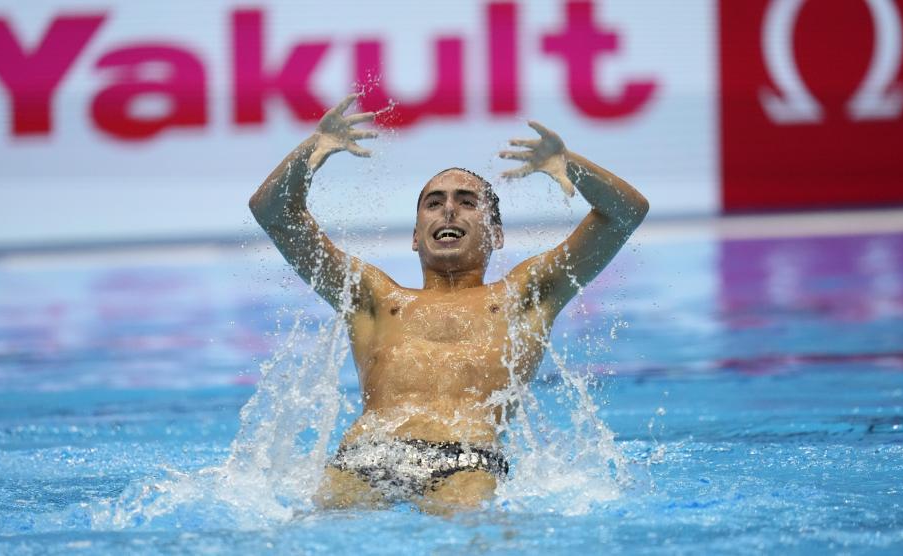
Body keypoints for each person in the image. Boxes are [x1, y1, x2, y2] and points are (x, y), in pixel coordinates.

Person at [248, 93, 648, 513]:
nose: (449, 211)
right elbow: (274, 214)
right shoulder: (374, 298)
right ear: (415, 237)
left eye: (467, 202)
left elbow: (625, 213)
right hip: (364, 457)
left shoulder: (522, 296)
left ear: (496, 234)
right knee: (318, 529)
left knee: (471, 532)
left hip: (467, 463)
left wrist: (570, 165)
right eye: (434, 203)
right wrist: (312, 148)